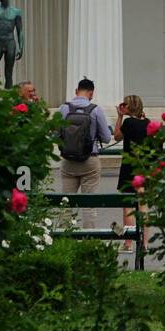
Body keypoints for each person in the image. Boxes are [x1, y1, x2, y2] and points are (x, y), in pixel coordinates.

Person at [55, 78, 113, 227]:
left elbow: (55, 134)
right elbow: (106, 138)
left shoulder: (63, 108)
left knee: (66, 202)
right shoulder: (95, 109)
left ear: (76, 91)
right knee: (89, 204)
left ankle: (64, 238)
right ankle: (88, 239)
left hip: (68, 161)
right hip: (90, 160)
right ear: (91, 93)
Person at [114, 95, 150, 250]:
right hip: (144, 168)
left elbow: (116, 136)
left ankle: (128, 243)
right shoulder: (148, 123)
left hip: (129, 167)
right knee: (143, 206)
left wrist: (120, 117)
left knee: (128, 206)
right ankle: (145, 243)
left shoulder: (128, 122)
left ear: (128, 107)